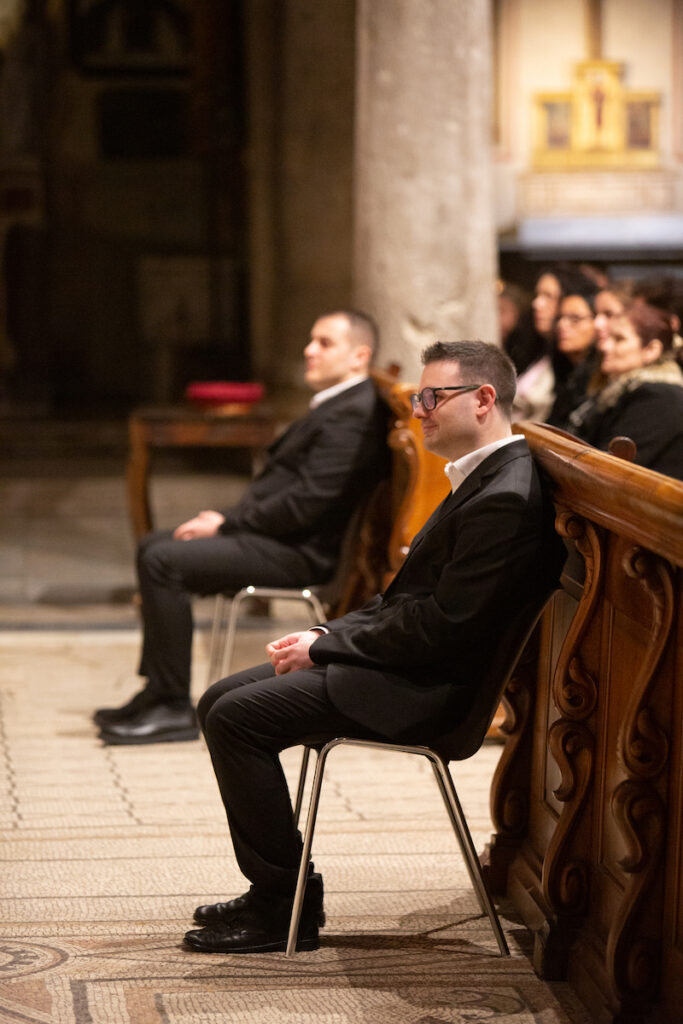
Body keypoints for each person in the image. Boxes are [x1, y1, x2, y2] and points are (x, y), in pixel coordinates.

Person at [183, 340, 566, 956]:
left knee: (235, 718)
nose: (419, 410)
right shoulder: (485, 475)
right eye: (419, 397)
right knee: (218, 700)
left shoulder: (504, 497)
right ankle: (281, 893)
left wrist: (327, 649)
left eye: (432, 397)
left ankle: (283, 905)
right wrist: (325, 635)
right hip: (407, 665)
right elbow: (403, 603)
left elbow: (442, 627)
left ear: (483, 399)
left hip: (428, 691)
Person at [95, 309, 390, 746]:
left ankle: (173, 707)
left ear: (359, 356)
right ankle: (158, 689)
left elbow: (308, 504)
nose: (309, 350)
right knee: (154, 546)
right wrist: (226, 522)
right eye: (312, 340)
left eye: (325, 343)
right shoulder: (341, 404)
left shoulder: (354, 414)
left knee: (163, 560)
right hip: (278, 539)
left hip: (299, 553)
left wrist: (226, 523)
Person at [568, 300, 683, 479]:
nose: (604, 346)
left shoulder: (660, 397)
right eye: (608, 338)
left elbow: (610, 471)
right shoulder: (624, 389)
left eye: (619, 339)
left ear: (651, 350)